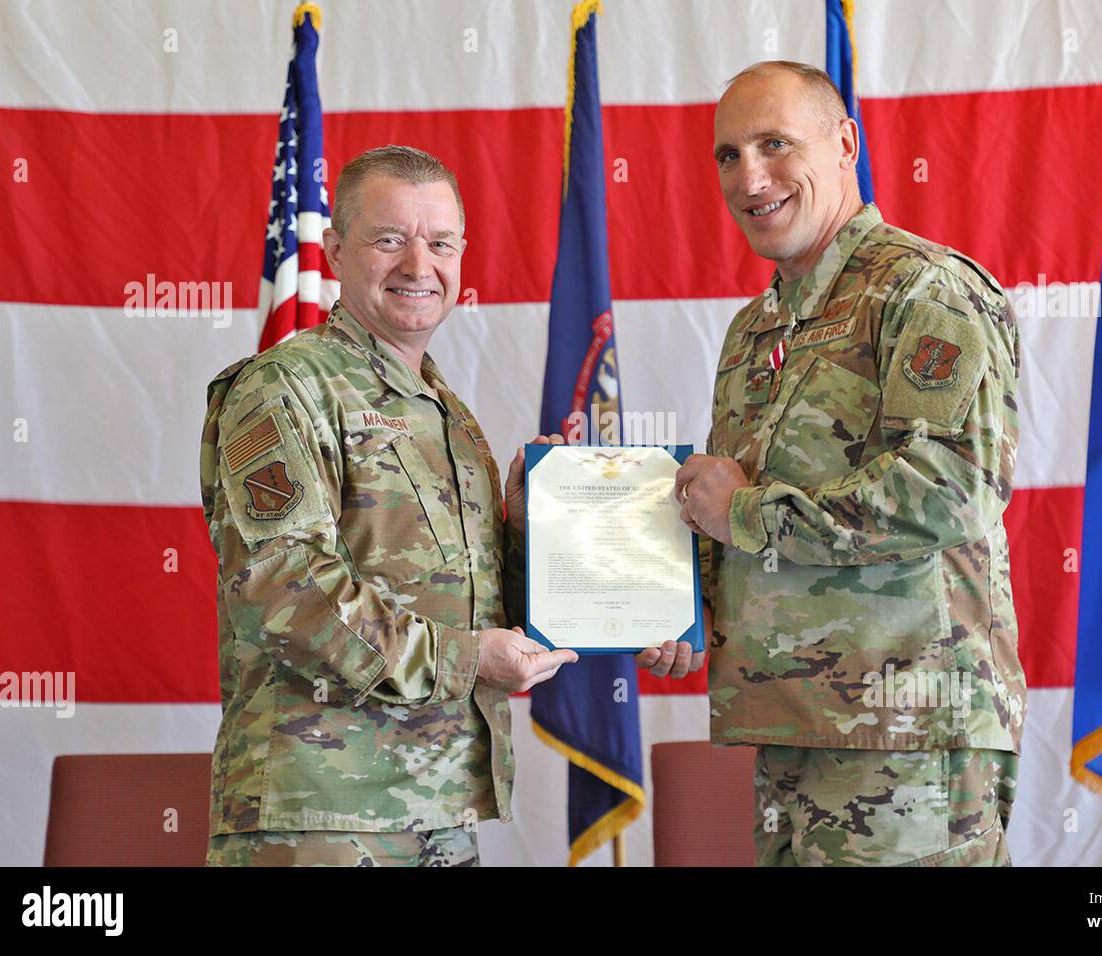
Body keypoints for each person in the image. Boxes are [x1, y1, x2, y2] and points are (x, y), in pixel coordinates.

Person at [639, 61, 1026, 866]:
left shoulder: (923, 290)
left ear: (845, 143)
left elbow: (953, 488)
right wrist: (683, 604)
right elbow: (737, 514)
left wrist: (744, 514)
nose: (751, 176)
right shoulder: (756, 330)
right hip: (792, 723)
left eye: (776, 144)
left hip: (909, 731)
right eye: (728, 155)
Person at [199, 145, 576, 867]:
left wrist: (525, 535)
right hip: (320, 813)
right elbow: (286, 590)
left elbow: (456, 594)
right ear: (337, 252)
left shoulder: (447, 414)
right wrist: (467, 659)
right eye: (389, 240)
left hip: (434, 808)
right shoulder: (287, 388)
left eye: (440, 243)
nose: (418, 265)